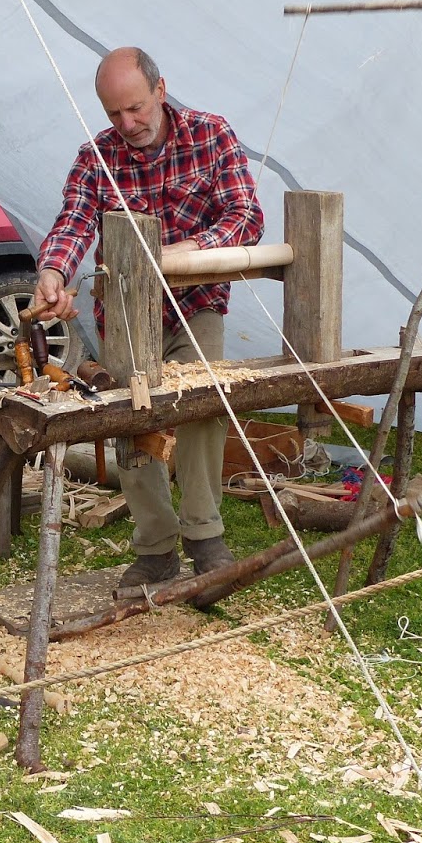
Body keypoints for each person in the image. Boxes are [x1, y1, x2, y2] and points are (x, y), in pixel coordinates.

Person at [35, 47, 264, 595]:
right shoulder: (97, 158)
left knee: (203, 404)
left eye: (135, 109)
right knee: (131, 415)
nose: (127, 124)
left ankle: (205, 536)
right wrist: (53, 272)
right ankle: (156, 549)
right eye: (114, 114)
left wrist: (185, 252)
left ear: (161, 91)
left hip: (195, 304)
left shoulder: (211, 135)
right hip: (124, 313)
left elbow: (246, 218)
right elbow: (73, 222)